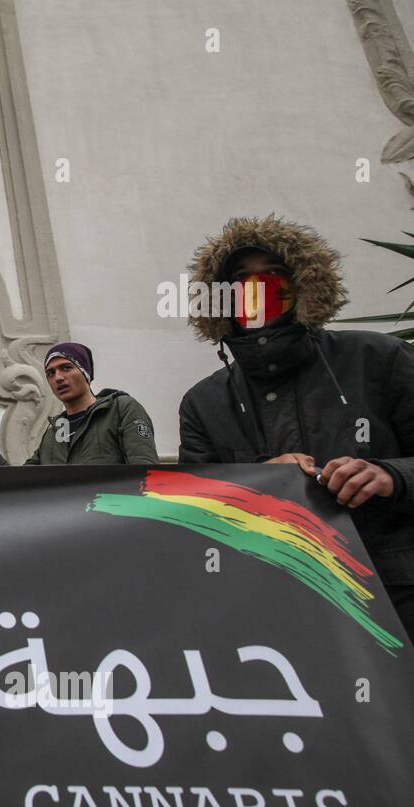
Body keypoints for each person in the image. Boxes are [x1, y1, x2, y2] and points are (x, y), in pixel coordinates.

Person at [178, 214, 414, 637]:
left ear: (304, 281)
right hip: (278, 611)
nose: (259, 286)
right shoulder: (202, 403)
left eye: (273, 273)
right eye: (241, 278)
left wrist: (390, 475)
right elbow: (194, 517)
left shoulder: (381, 358)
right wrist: (260, 480)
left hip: (395, 598)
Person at [25, 342, 158, 464]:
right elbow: (20, 482)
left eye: (66, 368)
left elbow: (144, 470)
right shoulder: (53, 433)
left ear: (85, 372)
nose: (58, 378)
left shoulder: (120, 409)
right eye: (50, 373)